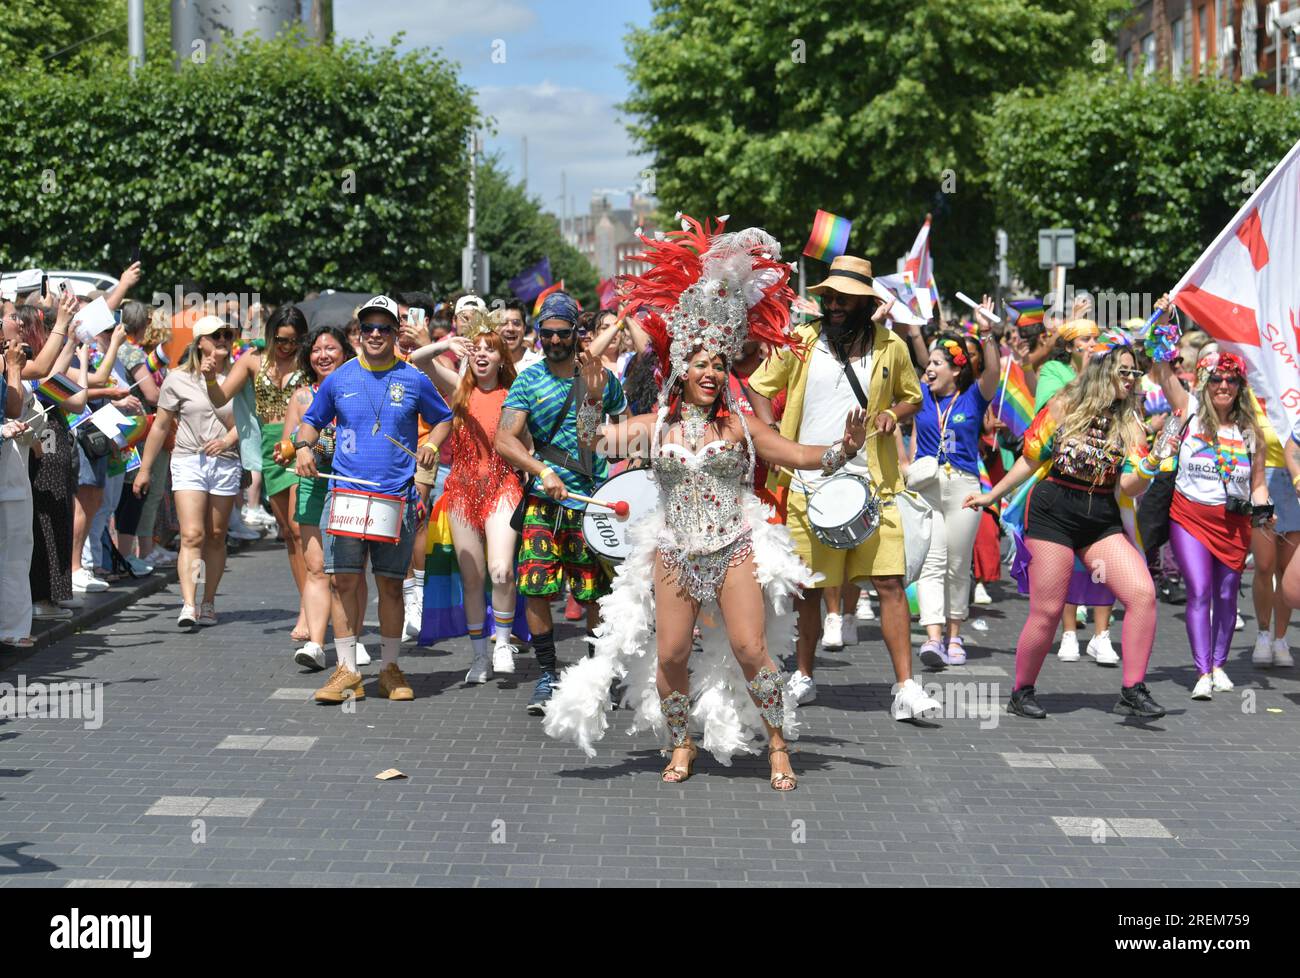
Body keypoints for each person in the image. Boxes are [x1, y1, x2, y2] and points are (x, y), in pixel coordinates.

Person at [544, 218, 864, 790]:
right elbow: (592, 442)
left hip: (732, 544)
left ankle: (778, 744)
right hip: (673, 550)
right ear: (681, 371)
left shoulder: (741, 428)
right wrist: (590, 397)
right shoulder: (656, 424)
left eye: (719, 364)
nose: (712, 372)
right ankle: (682, 741)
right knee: (669, 656)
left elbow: (799, 455)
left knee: (749, 647)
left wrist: (845, 448)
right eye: (701, 364)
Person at [747, 255, 939, 719]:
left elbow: (912, 397)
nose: (831, 305)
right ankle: (805, 676)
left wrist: (895, 414)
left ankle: (907, 687)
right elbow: (756, 385)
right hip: (808, 483)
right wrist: (773, 433)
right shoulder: (801, 342)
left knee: (889, 583)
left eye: (841, 299)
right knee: (811, 588)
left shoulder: (891, 346)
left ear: (862, 302)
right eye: (828, 297)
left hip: (876, 483)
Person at [965, 330, 1167, 720]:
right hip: (1053, 513)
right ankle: (1022, 690)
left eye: (1135, 373)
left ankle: (1132, 689)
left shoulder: (1132, 424)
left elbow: (1129, 485)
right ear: (1102, 370)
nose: (1130, 379)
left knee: (1142, 594)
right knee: (1048, 610)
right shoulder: (1063, 406)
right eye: (1123, 371)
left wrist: (1152, 463)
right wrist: (993, 495)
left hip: (1100, 521)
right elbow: (1029, 457)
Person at [294, 295, 452, 705]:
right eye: (369, 328)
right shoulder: (340, 378)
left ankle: (389, 668)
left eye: (384, 328)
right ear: (359, 333)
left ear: (396, 333)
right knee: (343, 580)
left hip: (394, 498)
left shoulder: (414, 378)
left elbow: (445, 418)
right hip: (346, 494)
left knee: (391, 586)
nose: (376, 334)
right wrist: (303, 449)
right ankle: (346, 670)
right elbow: (310, 422)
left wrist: (432, 444)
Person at [494, 290, 628, 715]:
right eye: (547, 333)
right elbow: (503, 439)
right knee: (535, 589)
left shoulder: (601, 378)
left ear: (577, 334)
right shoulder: (528, 380)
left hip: (589, 500)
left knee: (593, 594)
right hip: (542, 501)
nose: (553, 341)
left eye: (562, 334)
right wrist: (542, 471)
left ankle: (594, 677)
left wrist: (590, 396)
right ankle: (548, 674)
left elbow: (601, 439)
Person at [1151, 343, 1269, 699]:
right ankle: (1202, 671)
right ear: (1204, 381)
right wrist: (1166, 319)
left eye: (1231, 380)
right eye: (1216, 378)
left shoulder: (1250, 432)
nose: (1223, 386)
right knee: (1200, 590)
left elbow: (1258, 484)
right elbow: (1161, 367)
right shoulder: (1189, 410)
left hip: (1233, 523)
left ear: (1240, 387)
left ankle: (1219, 665)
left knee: (1227, 594)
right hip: (1189, 517)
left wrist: (1263, 509)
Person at [410, 312, 521, 683]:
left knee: (501, 570)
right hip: (460, 491)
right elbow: (417, 360)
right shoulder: (459, 387)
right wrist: (446, 344)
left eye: (492, 349)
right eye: (477, 349)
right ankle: (479, 657)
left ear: (503, 358)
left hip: (503, 487)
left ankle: (503, 642)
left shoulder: (515, 393)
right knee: (472, 577)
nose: (483, 355)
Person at [206, 306, 309, 637]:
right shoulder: (252, 360)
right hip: (268, 446)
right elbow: (221, 397)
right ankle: (308, 600)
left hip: (300, 441)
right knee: (289, 534)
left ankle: (310, 609)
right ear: (270, 335)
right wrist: (209, 376)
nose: (286, 347)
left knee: (298, 525)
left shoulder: (306, 362)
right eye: (281, 340)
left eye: (294, 341)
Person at [910, 300, 1002, 666]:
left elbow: (992, 370)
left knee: (957, 564)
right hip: (928, 485)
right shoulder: (920, 395)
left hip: (964, 486)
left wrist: (986, 333)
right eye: (928, 363)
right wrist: (912, 330)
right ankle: (933, 638)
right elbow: (914, 357)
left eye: (937, 363)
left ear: (955, 370)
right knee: (932, 563)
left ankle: (954, 635)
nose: (929, 368)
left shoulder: (974, 397)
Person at [135, 316, 241, 626]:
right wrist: (145, 469)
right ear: (199, 342)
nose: (223, 338)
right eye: (215, 335)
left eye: (227, 334)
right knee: (192, 534)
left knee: (217, 535)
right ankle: (189, 604)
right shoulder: (178, 379)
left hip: (226, 460)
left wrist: (226, 440)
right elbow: (161, 426)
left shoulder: (239, 377)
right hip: (188, 459)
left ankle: (209, 601)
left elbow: (248, 425)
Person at [278, 325, 370, 670]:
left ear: (345, 352)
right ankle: (316, 644)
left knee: (351, 569)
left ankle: (355, 638)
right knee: (316, 567)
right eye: (316, 350)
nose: (323, 355)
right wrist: (286, 451)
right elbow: (291, 440)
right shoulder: (302, 396)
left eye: (330, 348)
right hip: (313, 485)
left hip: (351, 485)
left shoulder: (360, 388)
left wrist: (321, 445)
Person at [1247, 388, 1297, 668]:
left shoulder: (1292, 387)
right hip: (1261, 481)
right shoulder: (1251, 393)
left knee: (1287, 569)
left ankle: (1281, 638)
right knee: (1265, 566)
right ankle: (1263, 634)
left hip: (1294, 483)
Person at [499, 299, 543, 371]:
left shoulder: (540, 367)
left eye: (516, 323)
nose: (510, 328)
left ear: (524, 328)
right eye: (504, 323)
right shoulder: (484, 367)